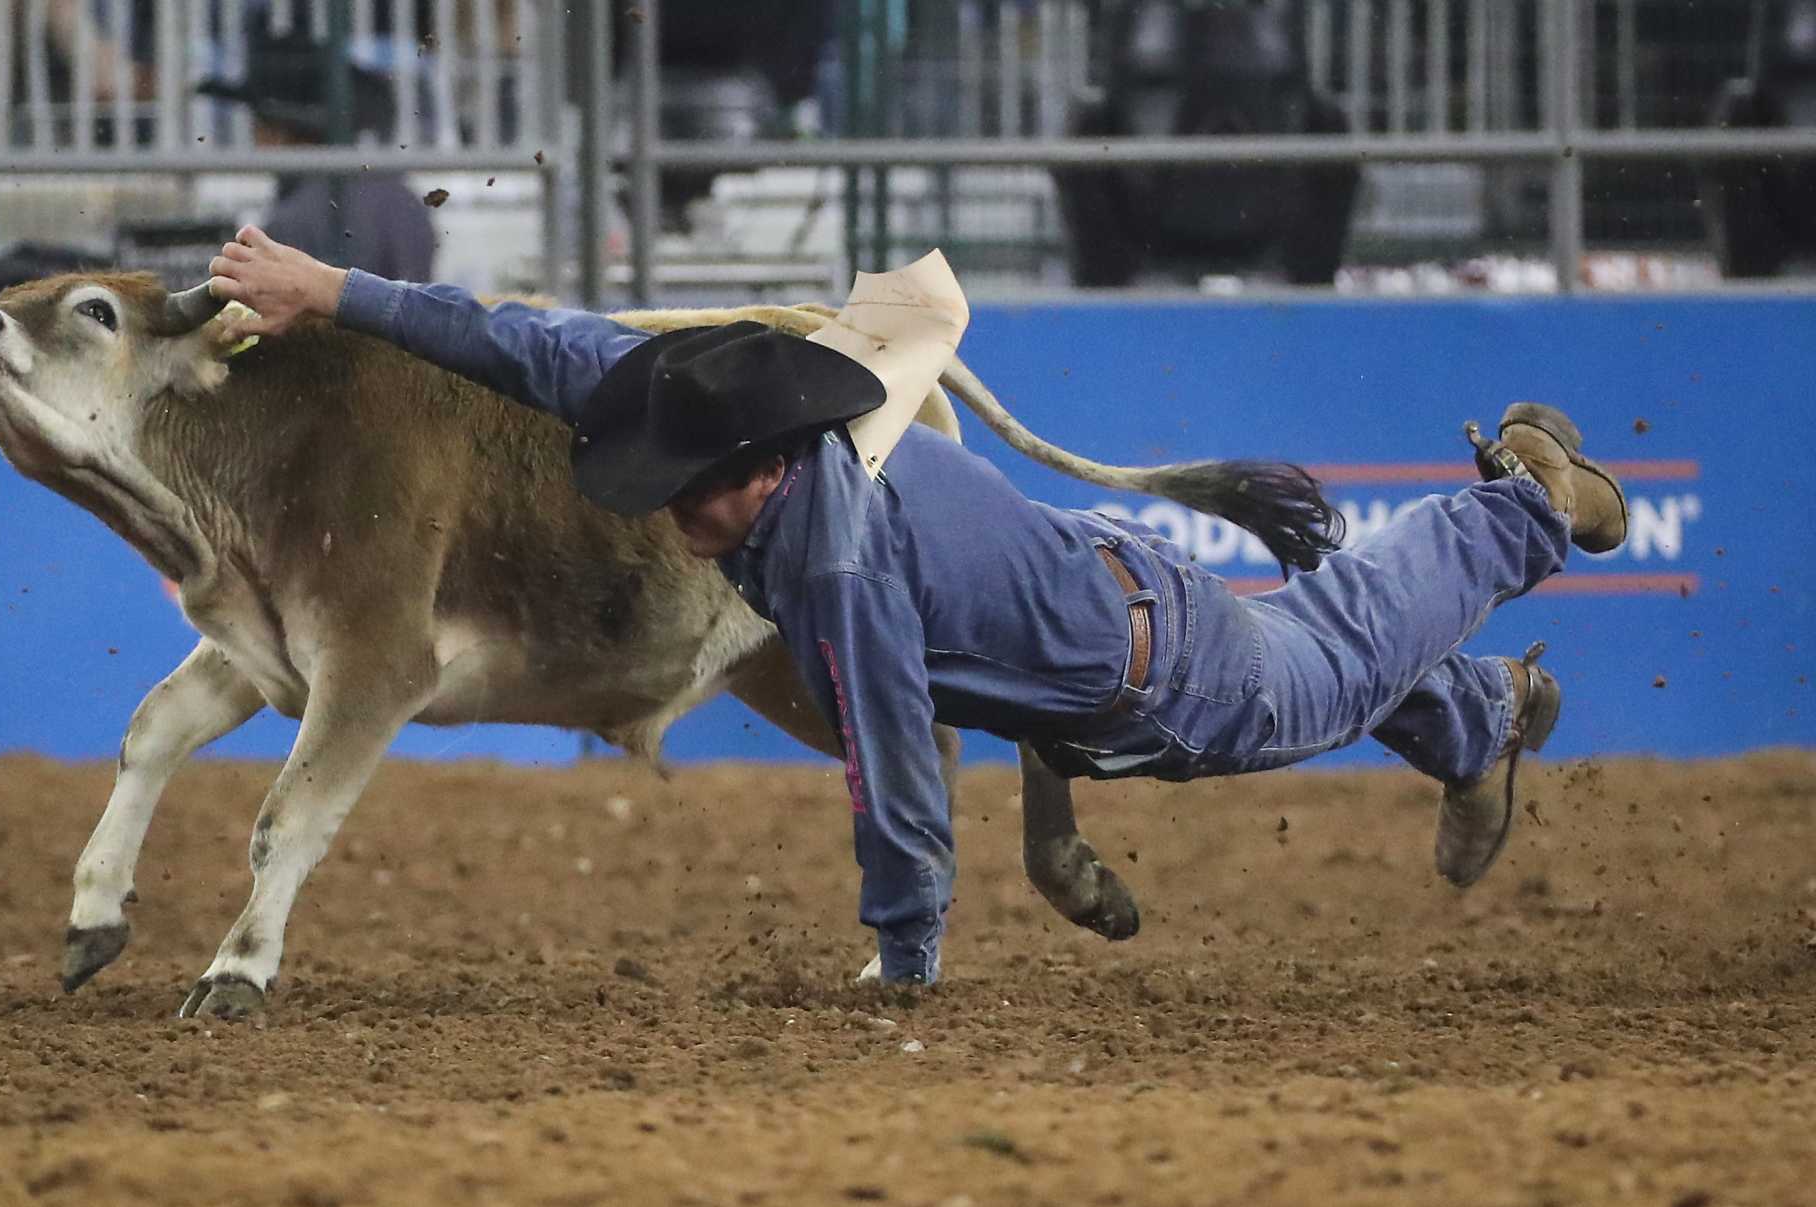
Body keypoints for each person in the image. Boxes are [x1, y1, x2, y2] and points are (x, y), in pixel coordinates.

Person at [205, 227, 1630, 986]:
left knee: (1331, 661)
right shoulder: (719, 409)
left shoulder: (832, 567)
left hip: (1170, 687)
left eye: (683, 495)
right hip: (1100, 603)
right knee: (1337, 653)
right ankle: (1483, 718)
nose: (661, 512)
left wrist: (905, 954)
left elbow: (893, 761)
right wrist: (335, 288)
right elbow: (515, 342)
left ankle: (1521, 505)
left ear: (755, 480)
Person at [196, 30, 436, 282]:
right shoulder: (401, 197)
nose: (257, 140)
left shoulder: (291, 219)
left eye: (260, 126)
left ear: (279, 132)